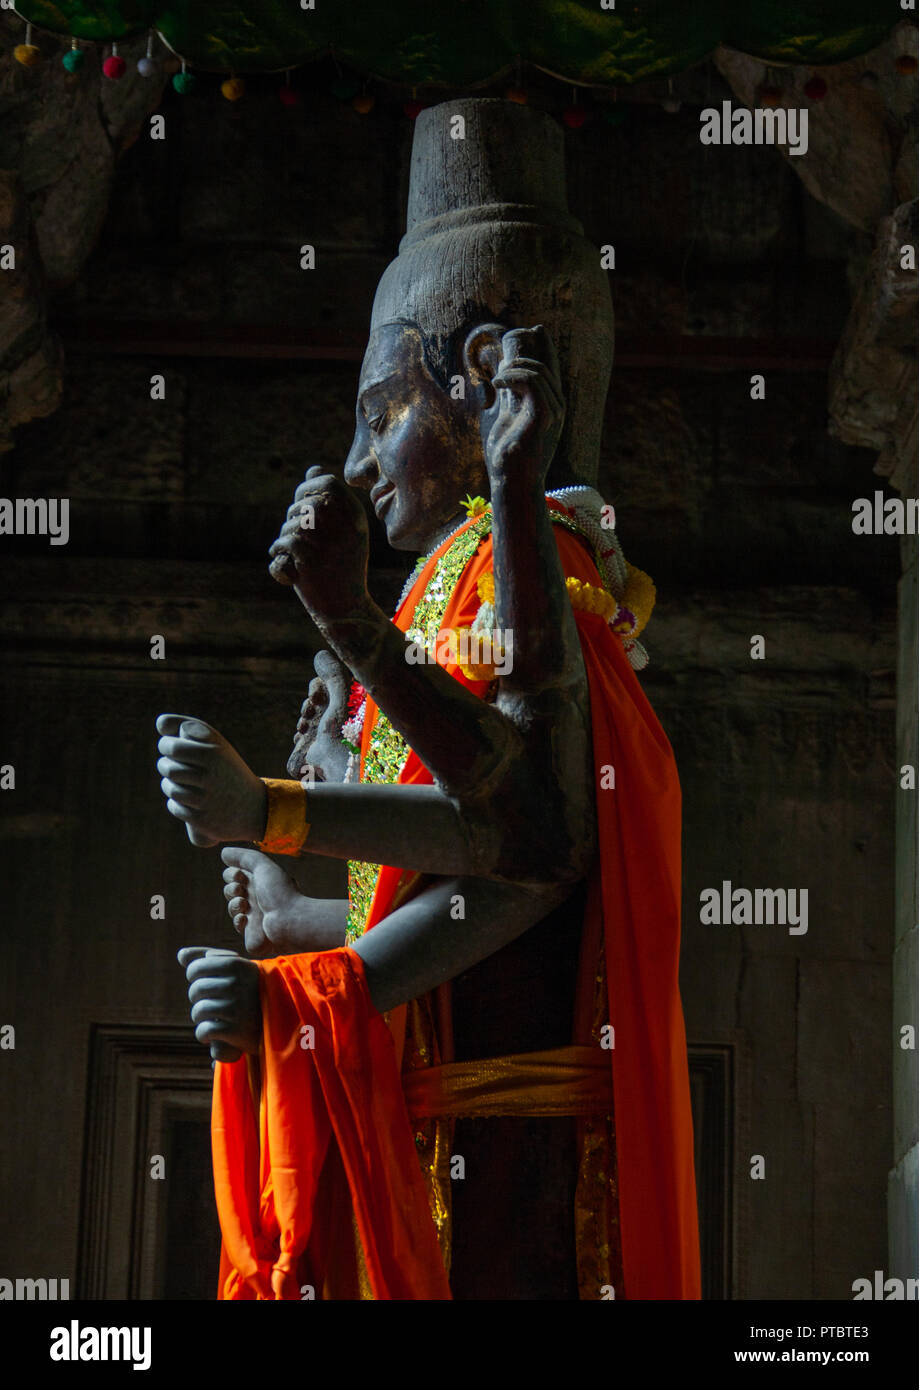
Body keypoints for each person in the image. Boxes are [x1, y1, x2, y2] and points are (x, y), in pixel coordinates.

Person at [156, 99, 700, 1299]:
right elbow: (452, 870)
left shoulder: (536, 567)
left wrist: (281, 807)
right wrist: (303, 911)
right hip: (454, 1129)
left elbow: (526, 840)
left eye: (376, 414)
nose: (356, 465)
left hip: (519, 1165)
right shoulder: (450, 587)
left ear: (470, 381)